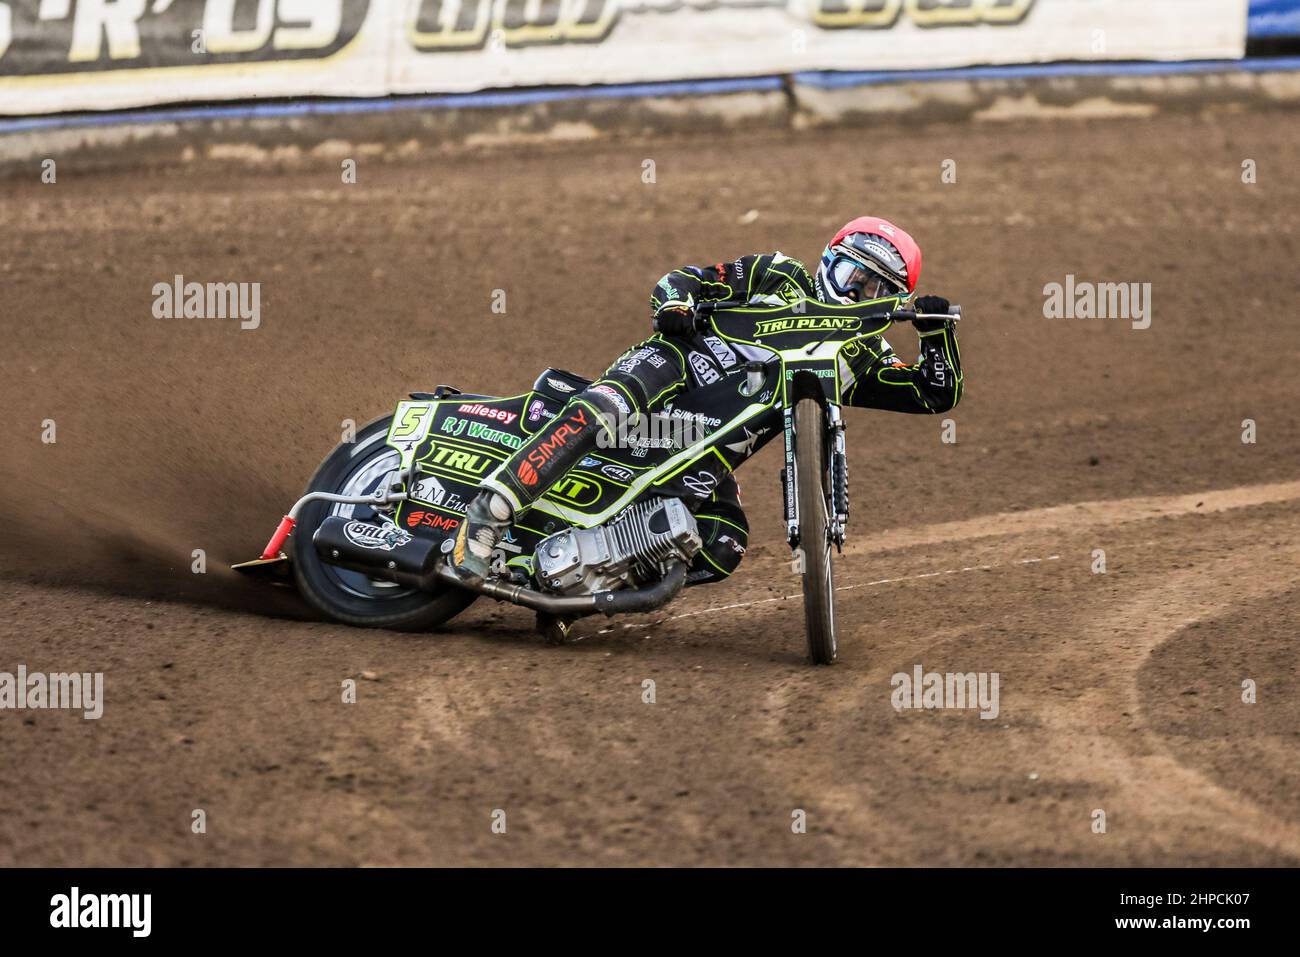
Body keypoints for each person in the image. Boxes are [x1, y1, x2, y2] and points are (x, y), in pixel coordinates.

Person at [451, 215, 963, 583]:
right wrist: (676, 303)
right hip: (672, 371)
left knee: (722, 543)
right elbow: (687, 279)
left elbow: (932, 393)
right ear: (828, 261)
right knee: (610, 407)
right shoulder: (781, 274)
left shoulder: (860, 355)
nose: (855, 294)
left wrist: (936, 333)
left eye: (873, 289)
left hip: (706, 448)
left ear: (890, 300)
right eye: (852, 276)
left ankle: (580, 576)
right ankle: (490, 511)